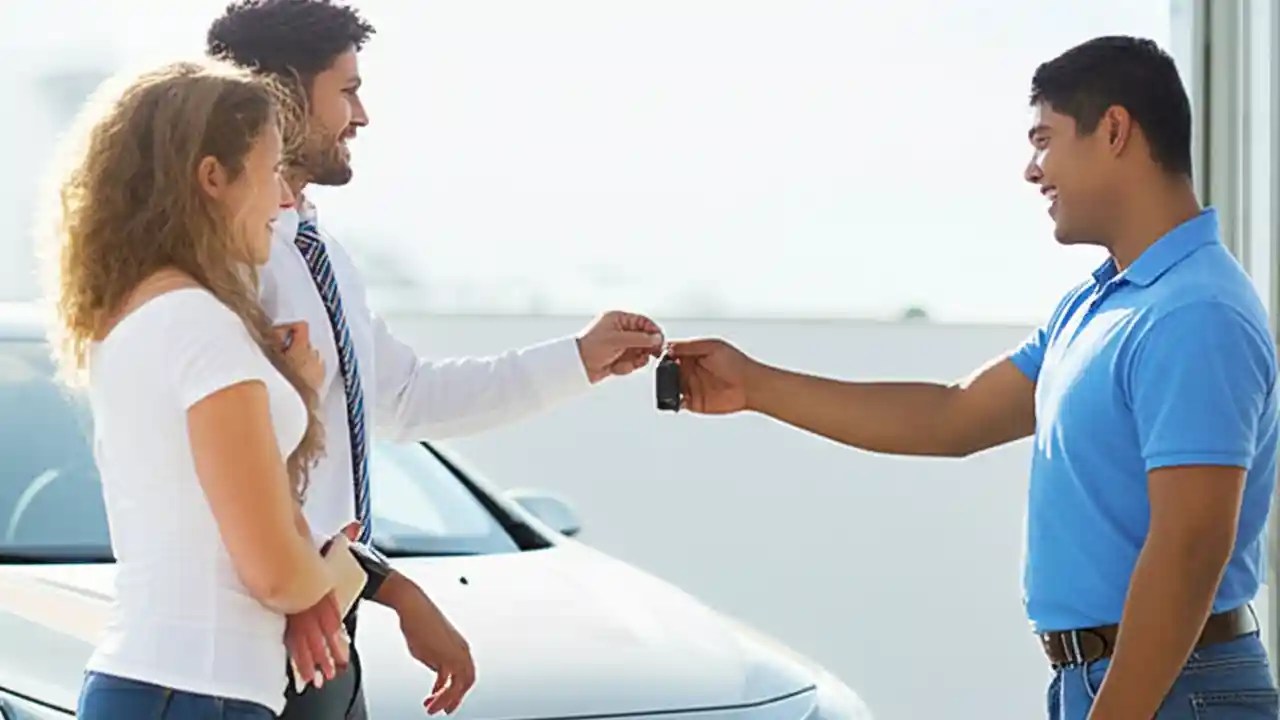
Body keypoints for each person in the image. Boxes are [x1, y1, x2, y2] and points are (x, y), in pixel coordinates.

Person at [666, 36, 1279, 720]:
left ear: (1113, 130)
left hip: (1175, 691)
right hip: (1122, 685)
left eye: (1043, 139)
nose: (1031, 169)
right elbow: (952, 417)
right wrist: (752, 385)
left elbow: (1191, 544)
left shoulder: (1195, 311)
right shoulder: (1099, 305)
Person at [205, 2, 668, 716]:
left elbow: (405, 397)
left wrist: (581, 358)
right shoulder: (228, 262)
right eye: (347, 90)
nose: (362, 117)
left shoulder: (317, 252)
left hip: (324, 623)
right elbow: (230, 463)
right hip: (248, 636)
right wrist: (373, 589)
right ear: (282, 97)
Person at [40, 59, 355, 719]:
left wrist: (286, 392)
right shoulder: (201, 329)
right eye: (272, 172)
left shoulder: (138, 315)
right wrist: (337, 569)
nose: (284, 199)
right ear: (212, 178)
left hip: (167, 688)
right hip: (195, 696)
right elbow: (273, 573)